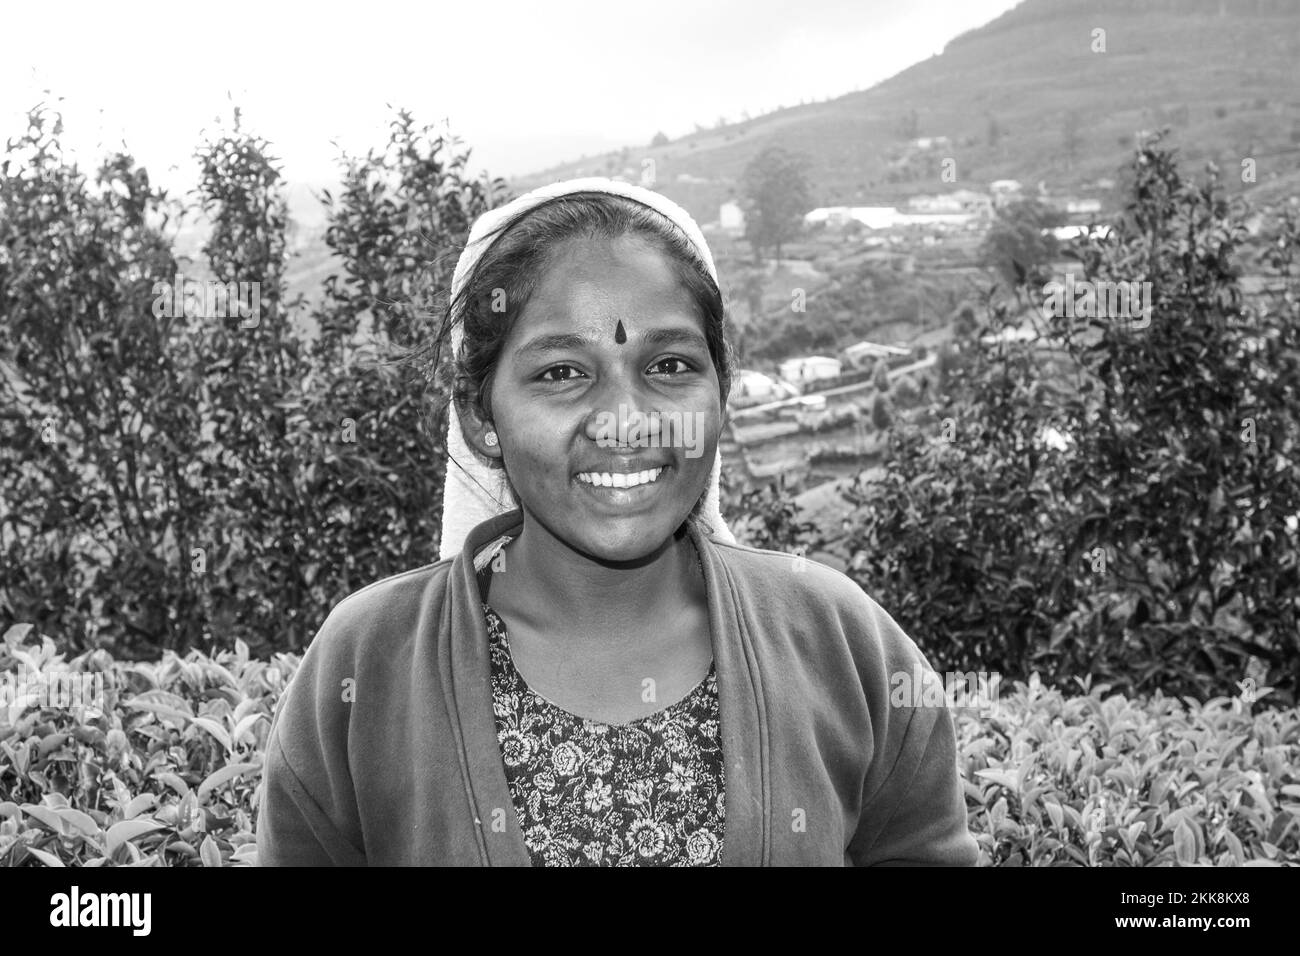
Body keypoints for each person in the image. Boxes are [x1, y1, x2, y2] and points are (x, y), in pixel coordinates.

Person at [256, 177, 979, 866]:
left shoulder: (841, 644)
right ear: (480, 415)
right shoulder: (366, 666)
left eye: (668, 366)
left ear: (721, 389)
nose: (627, 423)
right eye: (562, 373)